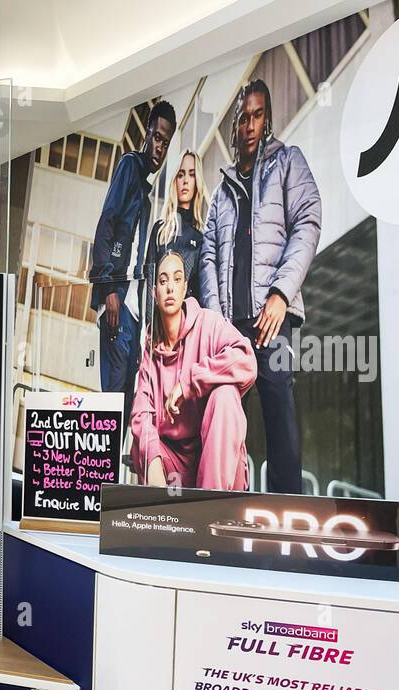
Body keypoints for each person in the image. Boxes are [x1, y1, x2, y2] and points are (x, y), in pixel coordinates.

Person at [200, 78, 322, 494]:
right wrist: (216, 320)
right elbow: (209, 257)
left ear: (266, 118)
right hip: (230, 325)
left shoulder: (288, 162)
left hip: (272, 317)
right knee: (224, 416)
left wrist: (280, 294)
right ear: (235, 126)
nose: (249, 124)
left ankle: (288, 512)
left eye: (257, 115)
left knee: (280, 414)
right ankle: (220, 503)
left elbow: (307, 223)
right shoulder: (220, 193)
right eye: (243, 117)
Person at [131, 252, 256, 491]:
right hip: (174, 470)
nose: (170, 288)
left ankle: (208, 504)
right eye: (163, 280)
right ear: (154, 292)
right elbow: (141, 412)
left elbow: (246, 359)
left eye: (177, 279)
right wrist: (153, 462)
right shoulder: (150, 348)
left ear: (186, 287)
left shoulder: (209, 324)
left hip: (215, 466)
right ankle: (158, 506)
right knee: (142, 441)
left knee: (226, 395)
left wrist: (189, 382)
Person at [89, 99, 175, 429]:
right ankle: (103, 479)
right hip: (118, 300)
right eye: (156, 137)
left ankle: (111, 480)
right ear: (147, 134)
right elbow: (107, 223)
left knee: (125, 402)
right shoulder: (129, 166)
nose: (159, 147)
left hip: (135, 309)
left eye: (165, 142)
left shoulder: (148, 189)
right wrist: (108, 288)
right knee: (112, 401)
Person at [145, 150, 209, 319]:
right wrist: (150, 331)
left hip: (186, 328)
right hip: (158, 328)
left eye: (192, 174)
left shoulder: (200, 238)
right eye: (180, 175)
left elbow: (199, 295)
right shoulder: (160, 230)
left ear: (198, 181)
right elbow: (149, 282)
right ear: (174, 180)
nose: (186, 181)